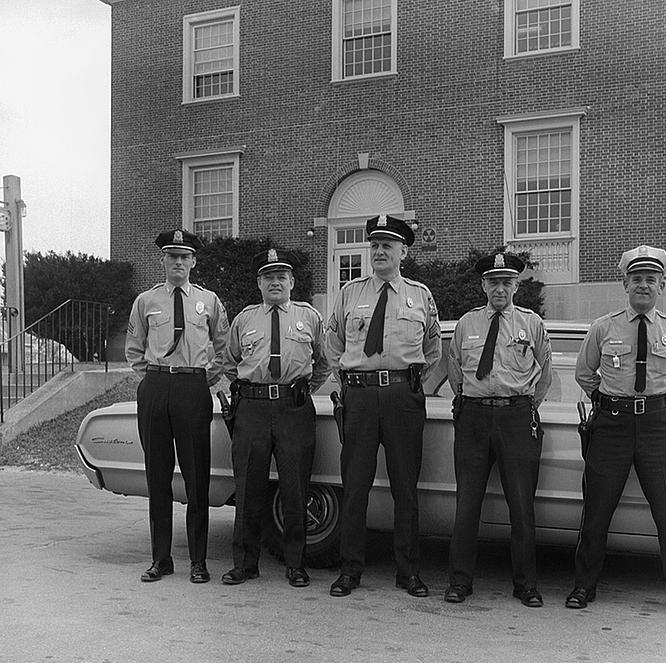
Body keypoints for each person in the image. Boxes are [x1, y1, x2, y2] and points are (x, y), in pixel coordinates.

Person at [567, 245, 666, 618]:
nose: (644, 285)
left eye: (651, 280)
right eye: (637, 279)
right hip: (611, 424)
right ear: (624, 284)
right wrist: (605, 401)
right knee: (596, 510)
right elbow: (584, 372)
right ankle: (583, 586)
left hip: (658, 426)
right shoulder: (603, 327)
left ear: (662, 286)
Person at [325, 214, 441, 597]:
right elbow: (333, 345)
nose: (378, 252)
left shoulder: (420, 296)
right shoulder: (349, 293)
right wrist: (352, 380)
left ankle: (408, 572)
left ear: (403, 251)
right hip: (359, 397)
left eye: (387, 245)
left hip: (402, 399)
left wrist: (405, 386)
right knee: (354, 485)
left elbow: (433, 351)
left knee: (405, 488)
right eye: (374, 245)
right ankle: (349, 569)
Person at [444, 252, 552, 606]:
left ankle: (526, 585)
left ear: (516, 285)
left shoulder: (531, 323)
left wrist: (527, 407)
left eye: (506, 282)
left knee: (521, 506)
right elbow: (454, 367)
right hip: (474, 417)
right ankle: (460, 581)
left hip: (516, 417)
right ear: (483, 286)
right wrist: (466, 402)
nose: (500, 288)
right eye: (493, 282)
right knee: (467, 504)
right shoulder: (467, 324)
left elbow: (545, 372)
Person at [125, 229, 229, 583]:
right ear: (163, 261)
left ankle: (198, 561)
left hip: (192, 387)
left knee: (196, 475)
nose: (178, 263)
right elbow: (134, 348)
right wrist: (152, 378)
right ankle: (161, 559)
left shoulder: (209, 301)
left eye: (185, 257)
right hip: (156, 386)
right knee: (158, 476)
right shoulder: (146, 301)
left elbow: (224, 345)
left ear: (194, 262)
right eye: (172, 256)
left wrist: (205, 378)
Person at [220, 249, 328, 587]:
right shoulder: (245, 319)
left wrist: (301, 389)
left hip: (293, 409)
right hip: (252, 409)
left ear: (292, 282)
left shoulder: (309, 317)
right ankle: (245, 563)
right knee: (249, 487)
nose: (275, 282)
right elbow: (228, 362)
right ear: (259, 283)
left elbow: (325, 361)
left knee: (294, 486)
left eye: (281, 276)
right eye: (269, 277)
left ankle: (295, 563)